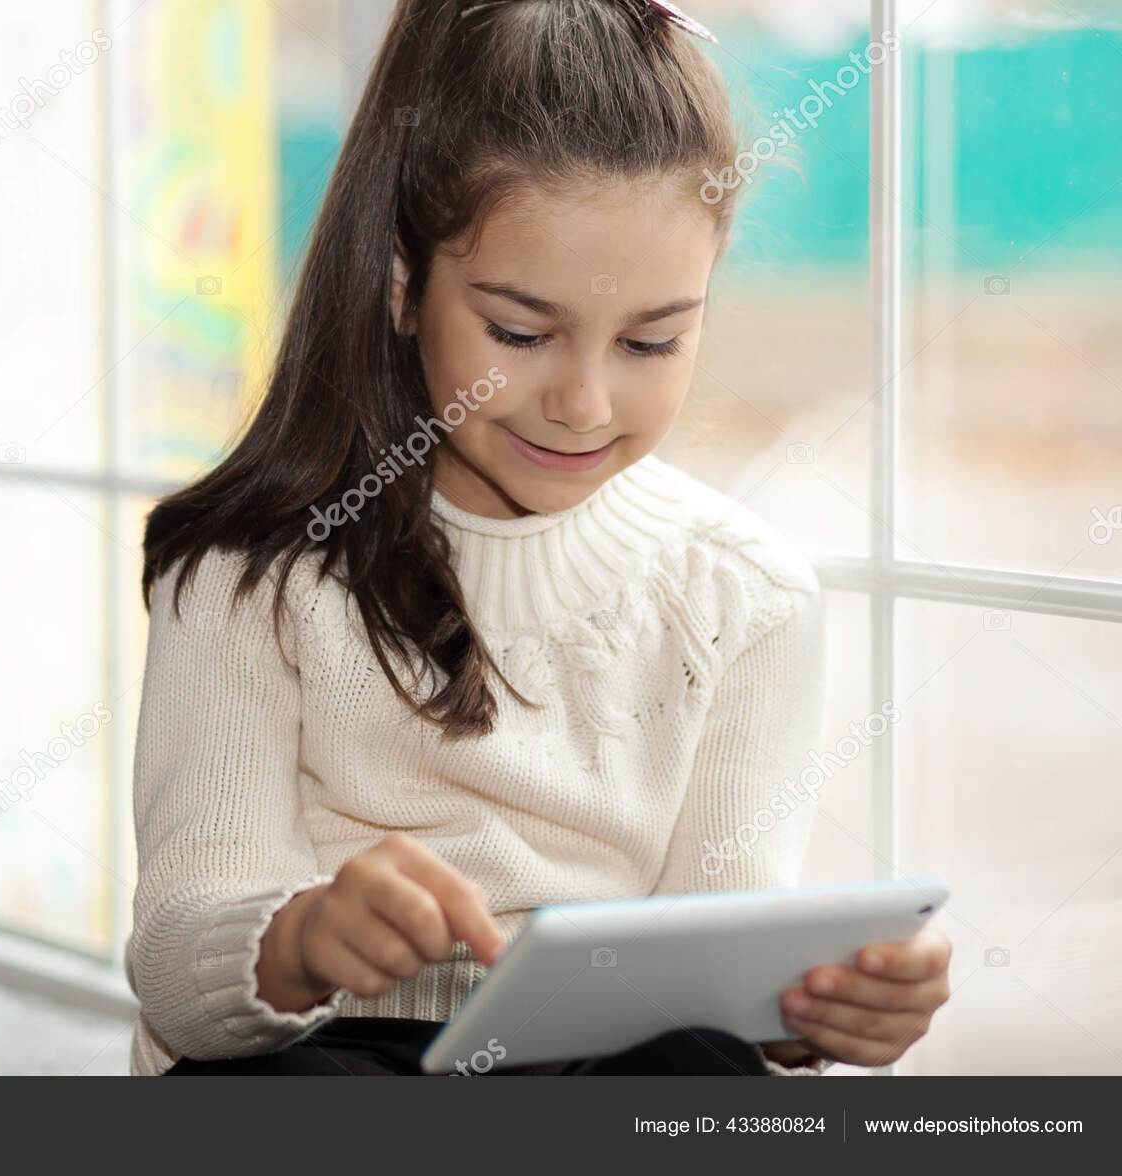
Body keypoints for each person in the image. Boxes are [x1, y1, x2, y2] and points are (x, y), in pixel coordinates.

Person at [125, 0, 951, 1077]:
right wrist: (300, 940)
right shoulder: (250, 574)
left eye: (652, 340)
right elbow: (181, 970)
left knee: (707, 1075)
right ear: (400, 283)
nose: (582, 402)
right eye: (519, 332)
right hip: (334, 1046)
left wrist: (817, 1012)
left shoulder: (749, 599)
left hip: (588, 1056)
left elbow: (713, 980)